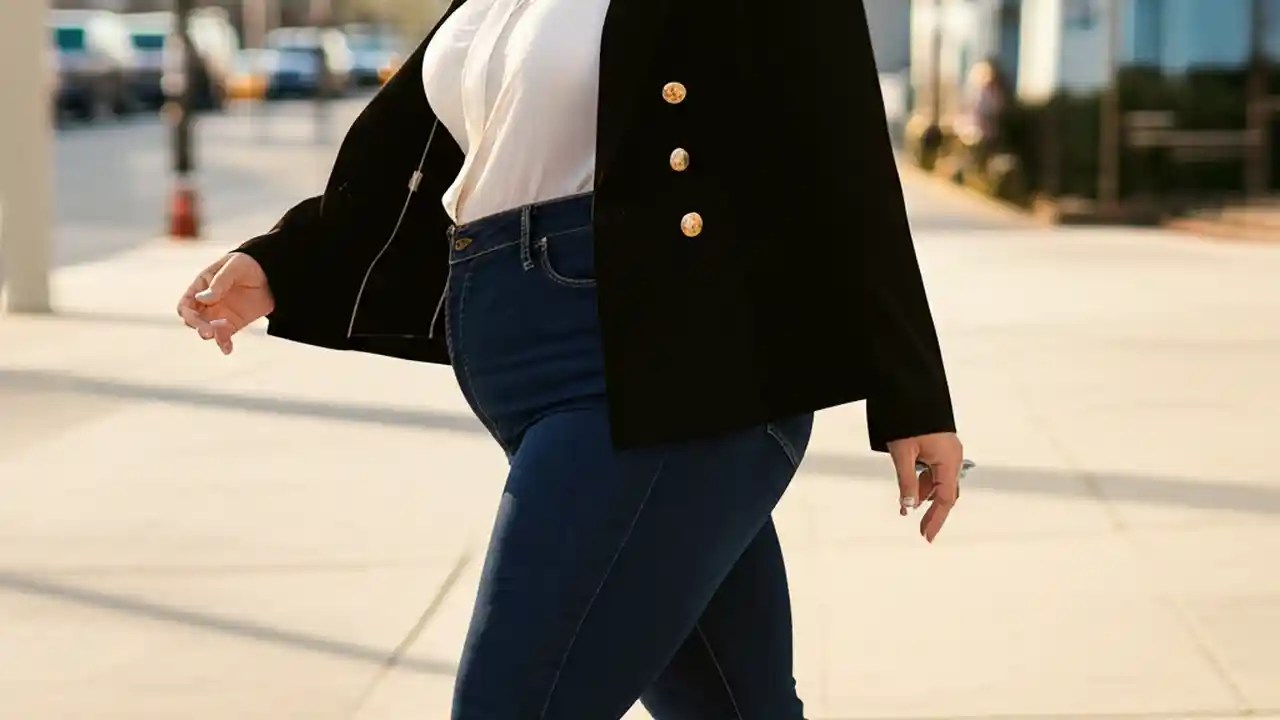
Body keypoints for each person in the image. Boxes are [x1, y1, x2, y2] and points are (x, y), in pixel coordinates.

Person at [176, 0, 967, 717]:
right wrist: (284, 261)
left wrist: (912, 393)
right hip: (532, 370)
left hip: (674, 369)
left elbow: (845, 138)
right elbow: (413, 154)